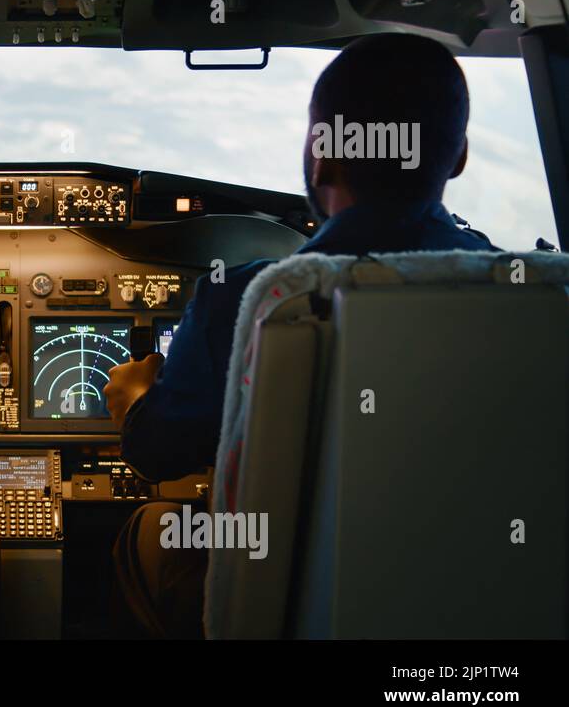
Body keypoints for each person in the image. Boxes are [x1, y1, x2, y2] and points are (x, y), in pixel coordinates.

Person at [101, 33, 497, 638]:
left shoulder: (251, 300)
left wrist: (135, 404)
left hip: (299, 614)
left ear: (320, 153)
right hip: (479, 611)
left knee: (153, 526)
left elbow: (158, 454)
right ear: (460, 157)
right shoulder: (533, 296)